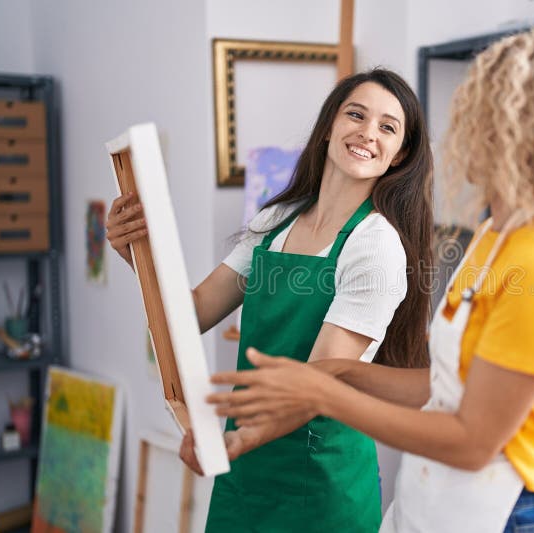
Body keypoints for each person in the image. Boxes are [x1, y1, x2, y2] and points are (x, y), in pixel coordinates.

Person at [207, 27, 534, 533]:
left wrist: (325, 395)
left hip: (503, 512)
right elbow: (450, 388)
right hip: (439, 505)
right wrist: (339, 374)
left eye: (486, 112)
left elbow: (474, 442)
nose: (466, 126)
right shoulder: (498, 236)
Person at [105, 68, 434, 532]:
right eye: (355, 115)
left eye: (387, 127)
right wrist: (134, 253)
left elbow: (317, 383)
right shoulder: (276, 220)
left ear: (400, 155)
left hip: (318, 479)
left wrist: (236, 441)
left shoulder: (374, 245)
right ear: (328, 128)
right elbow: (193, 311)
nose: (367, 133)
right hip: (246, 468)